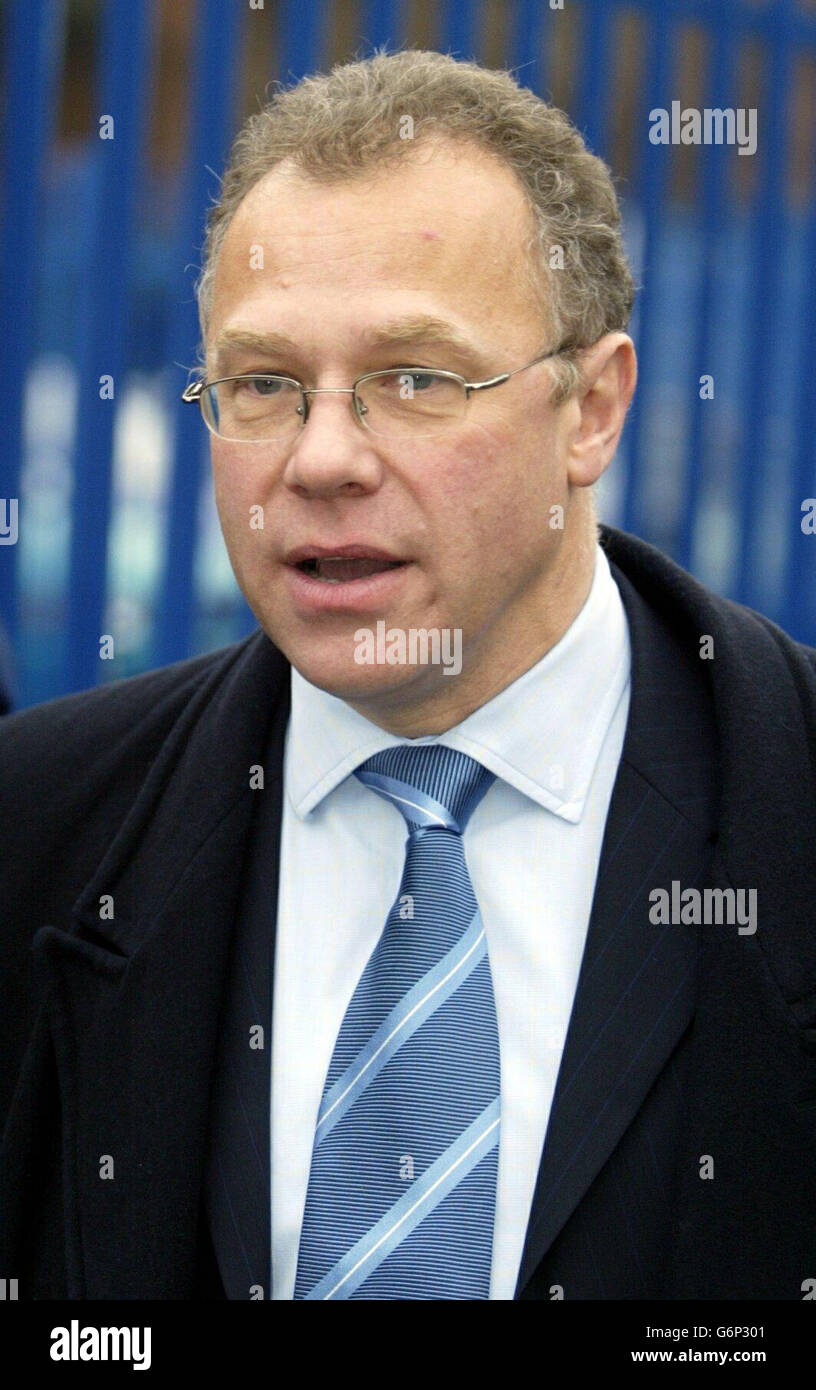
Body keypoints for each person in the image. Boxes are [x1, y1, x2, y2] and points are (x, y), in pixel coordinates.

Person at [1, 48, 815, 1302]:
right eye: (266, 384)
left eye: (415, 380)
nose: (323, 458)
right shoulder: (41, 820)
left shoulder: (783, 785)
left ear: (592, 408)